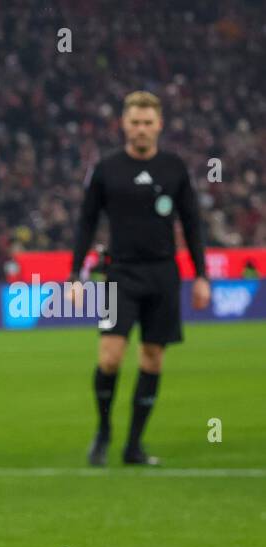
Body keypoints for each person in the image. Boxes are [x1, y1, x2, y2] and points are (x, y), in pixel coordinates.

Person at [71, 91, 210, 467]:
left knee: (152, 359)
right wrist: (74, 275)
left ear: (159, 125)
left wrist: (201, 275)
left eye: (148, 122)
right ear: (124, 124)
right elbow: (86, 222)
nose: (142, 129)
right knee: (110, 356)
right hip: (120, 273)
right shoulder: (107, 169)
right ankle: (103, 430)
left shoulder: (174, 168)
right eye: (135, 122)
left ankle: (134, 446)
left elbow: (192, 224)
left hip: (164, 273)